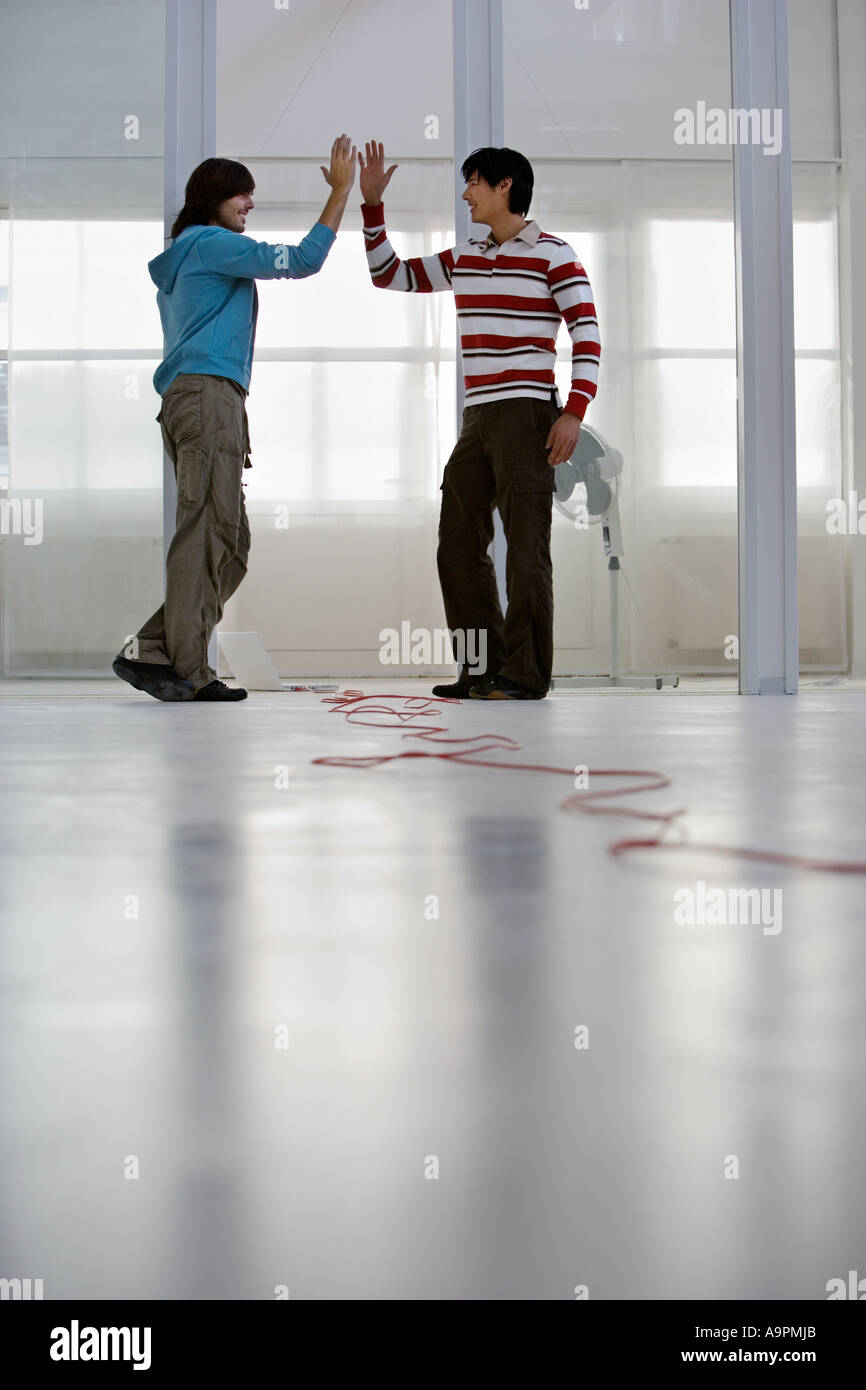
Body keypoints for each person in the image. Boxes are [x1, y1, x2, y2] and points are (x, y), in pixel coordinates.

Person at [114, 136, 357, 702]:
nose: (250, 202)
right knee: (205, 530)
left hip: (205, 398)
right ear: (213, 198)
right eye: (241, 193)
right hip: (206, 397)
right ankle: (190, 671)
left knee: (232, 541)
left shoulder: (194, 251)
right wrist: (342, 191)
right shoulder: (208, 244)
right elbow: (303, 260)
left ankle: (156, 648)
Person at [358, 141, 601, 700]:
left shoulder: (555, 254)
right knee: (458, 543)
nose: (466, 194)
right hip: (479, 418)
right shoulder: (465, 256)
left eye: (473, 183)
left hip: (528, 413)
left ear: (505, 186)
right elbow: (388, 275)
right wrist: (372, 206)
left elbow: (587, 336)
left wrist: (573, 412)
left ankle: (525, 675)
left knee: (525, 549)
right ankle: (482, 669)